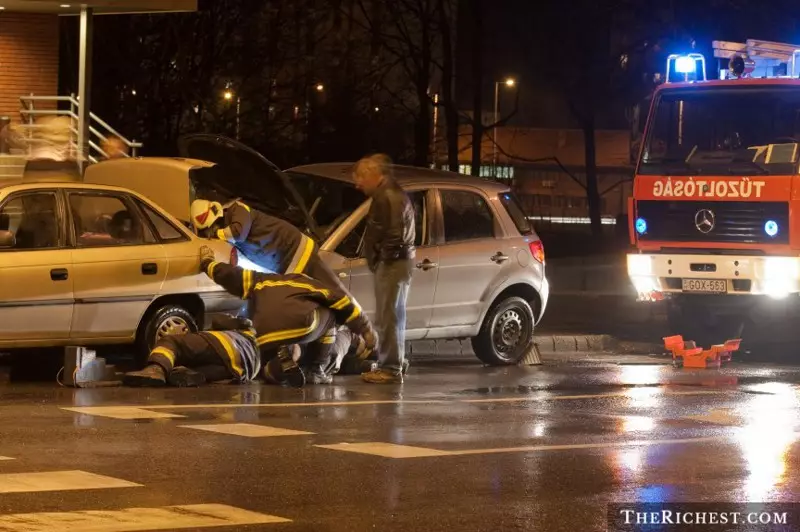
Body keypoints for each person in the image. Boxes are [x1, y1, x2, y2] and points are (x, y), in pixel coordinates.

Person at [199, 245, 377, 384]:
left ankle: (277, 365)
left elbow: (229, 274)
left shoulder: (261, 280)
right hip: (300, 326)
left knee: (279, 352)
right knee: (331, 311)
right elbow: (342, 301)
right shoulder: (307, 283)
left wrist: (208, 263)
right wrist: (365, 328)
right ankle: (317, 370)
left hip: (264, 334)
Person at [352, 154, 415, 384]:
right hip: (396, 262)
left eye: (360, 177)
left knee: (388, 316)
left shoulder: (387, 196)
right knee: (394, 315)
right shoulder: (392, 193)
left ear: (374, 175)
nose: (357, 183)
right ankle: (396, 362)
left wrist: (380, 259)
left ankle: (390, 368)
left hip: (392, 263)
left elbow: (394, 236)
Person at [121, 315, 304, 388]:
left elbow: (220, 320)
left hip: (225, 344)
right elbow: (268, 375)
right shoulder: (268, 343)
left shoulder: (248, 329)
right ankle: (193, 374)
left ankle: (156, 369)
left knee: (171, 342)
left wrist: (236, 319)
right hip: (243, 369)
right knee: (191, 367)